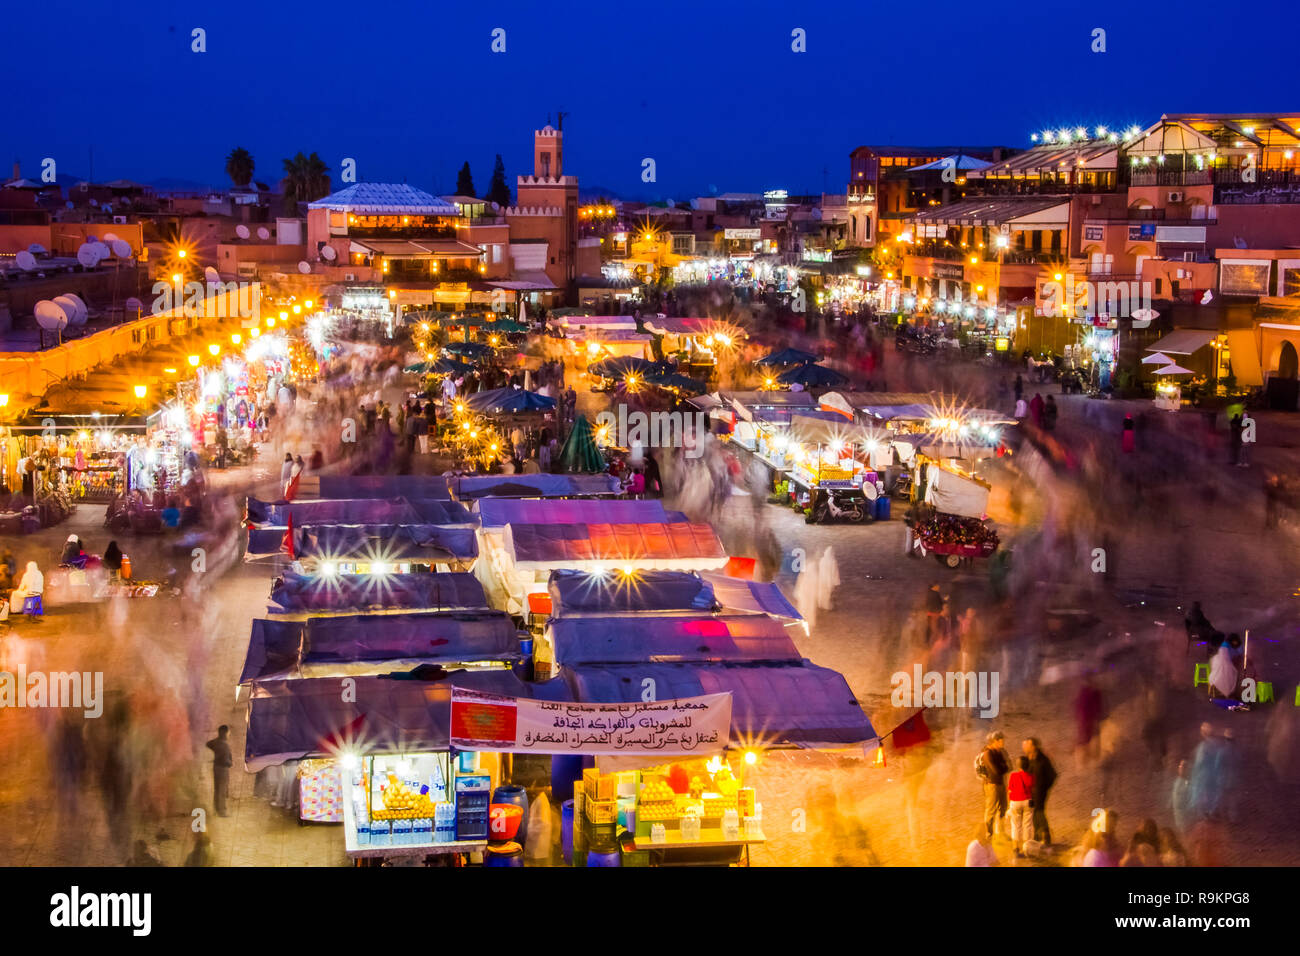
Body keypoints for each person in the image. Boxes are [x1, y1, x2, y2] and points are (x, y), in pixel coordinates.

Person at [1023, 737, 1057, 845]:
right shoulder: (1030, 758)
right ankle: (1037, 837)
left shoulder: (1043, 760)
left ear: (1034, 746)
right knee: (1034, 813)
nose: (1026, 747)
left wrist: (1045, 787)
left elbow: (1053, 775)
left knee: (1039, 812)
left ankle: (1046, 836)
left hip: (1040, 792)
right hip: (1031, 792)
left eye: (1028, 745)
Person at [978, 731, 1011, 840]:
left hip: (1000, 783)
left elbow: (1008, 767)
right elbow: (996, 770)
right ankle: (989, 833)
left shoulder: (999, 752)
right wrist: (1003, 767)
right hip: (991, 785)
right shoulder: (988, 754)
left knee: (1003, 807)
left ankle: (1000, 831)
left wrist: (1003, 767)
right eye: (1001, 740)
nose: (1003, 742)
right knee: (991, 809)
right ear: (994, 742)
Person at [1005, 756, 1035, 856]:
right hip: (1027, 801)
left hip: (1015, 802)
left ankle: (1015, 848)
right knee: (1027, 825)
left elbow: (1009, 790)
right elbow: (1033, 789)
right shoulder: (1031, 776)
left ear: (1018, 766)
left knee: (1015, 825)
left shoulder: (1013, 776)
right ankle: (1026, 849)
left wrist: (1009, 804)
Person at [206, 725, 233, 817]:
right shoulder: (224, 745)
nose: (229, 734)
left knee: (217, 789)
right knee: (222, 790)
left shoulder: (215, 742)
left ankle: (216, 809)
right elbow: (226, 761)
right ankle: (222, 812)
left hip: (216, 768)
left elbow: (207, 744)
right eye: (229, 732)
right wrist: (230, 763)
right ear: (225, 733)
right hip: (223, 769)